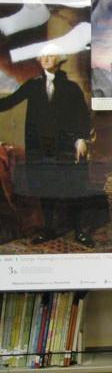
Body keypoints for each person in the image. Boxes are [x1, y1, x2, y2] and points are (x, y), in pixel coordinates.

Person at [0, 53, 94, 247]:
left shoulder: (71, 88)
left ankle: (80, 231)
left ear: (59, 60)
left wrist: (81, 139)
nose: (45, 58)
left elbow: (82, 116)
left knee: (74, 189)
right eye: (42, 55)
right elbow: (9, 102)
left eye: (50, 55)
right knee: (44, 189)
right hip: (41, 149)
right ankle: (48, 229)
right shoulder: (33, 85)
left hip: (66, 148)